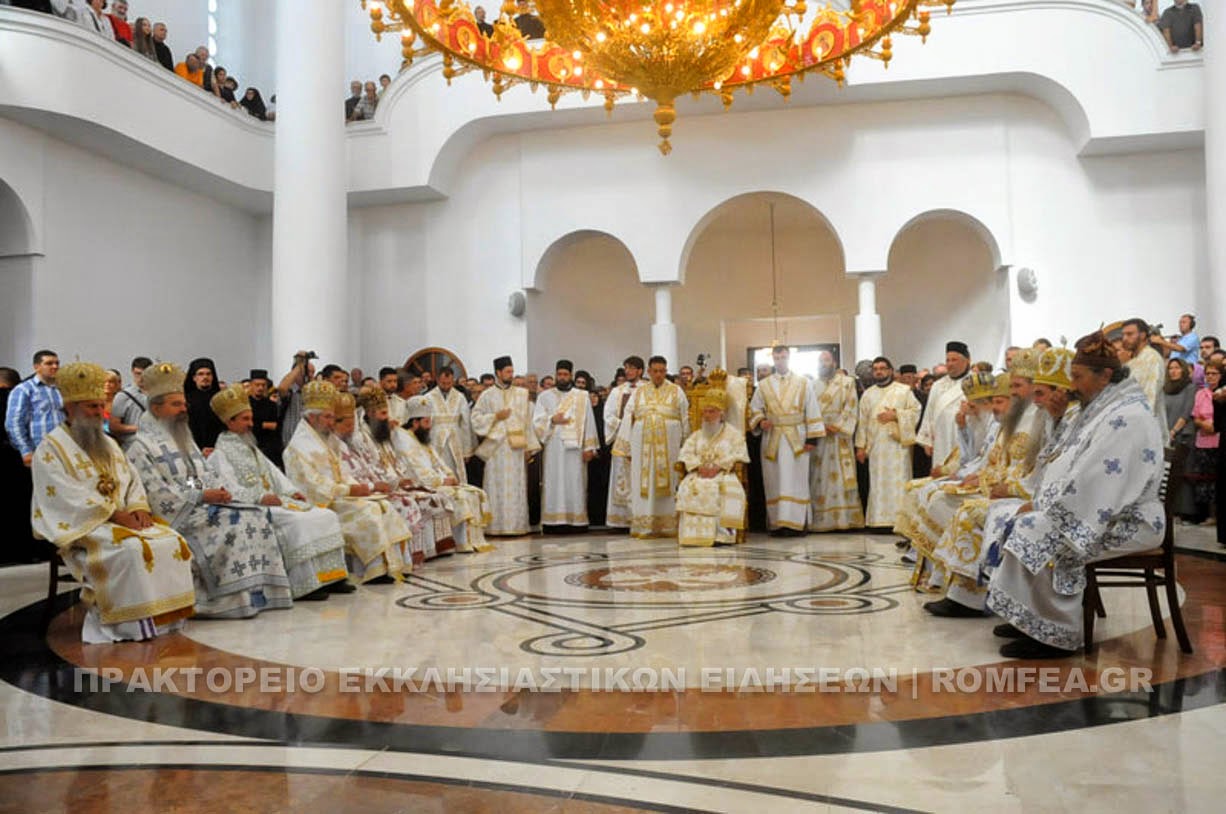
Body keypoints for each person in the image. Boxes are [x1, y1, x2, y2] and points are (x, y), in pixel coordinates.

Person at [987, 330, 1165, 658]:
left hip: (1130, 520)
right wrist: (1056, 422)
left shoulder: (1127, 417)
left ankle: (1054, 633)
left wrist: (1048, 510)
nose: (1072, 385)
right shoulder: (1100, 408)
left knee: (1038, 530)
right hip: (1098, 508)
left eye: (1078, 376)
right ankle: (1029, 618)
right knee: (1023, 521)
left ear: (1105, 376)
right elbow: (1062, 458)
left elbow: (1100, 478)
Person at [31, 362, 196, 642]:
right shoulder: (52, 448)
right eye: (91, 408)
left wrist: (138, 506)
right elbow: (64, 494)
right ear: (70, 408)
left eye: (100, 406)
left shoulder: (115, 442)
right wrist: (113, 513)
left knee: (171, 540)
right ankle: (130, 624)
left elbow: (133, 480)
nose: (99, 413)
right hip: (85, 522)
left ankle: (163, 619)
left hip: (135, 514)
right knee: (132, 550)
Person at [126, 362, 293, 618]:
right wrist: (201, 495)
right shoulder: (140, 446)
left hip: (201, 505)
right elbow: (158, 493)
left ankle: (256, 595)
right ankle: (223, 600)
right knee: (236, 523)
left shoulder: (182, 437)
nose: (184, 409)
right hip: (178, 516)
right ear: (156, 408)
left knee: (256, 515)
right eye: (176, 405)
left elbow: (198, 475)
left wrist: (217, 491)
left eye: (183, 404)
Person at [205, 385, 350, 600]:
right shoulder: (220, 453)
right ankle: (306, 584)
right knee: (298, 523)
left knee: (325, 515)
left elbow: (274, 474)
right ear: (230, 422)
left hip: (278, 501)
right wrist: (260, 497)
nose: (251, 424)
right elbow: (229, 487)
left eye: (251, 418)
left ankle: (333, 577)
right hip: (255, 507)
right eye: (245, 419)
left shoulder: (251, 447)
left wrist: (292, 492)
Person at [283, 381, 413, 583]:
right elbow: (314, 487)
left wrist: (364, 488)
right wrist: (351, 489)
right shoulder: (298, 447)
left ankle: (393, 566)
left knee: (384, 504)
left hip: (341, 496)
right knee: (368, 511)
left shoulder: (328, 439)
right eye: (327, 417)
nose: (331, 422)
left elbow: (343, 471)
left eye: (332, 417)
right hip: (322, 502)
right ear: (312, 417)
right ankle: (374, 570)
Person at [334, 389, 440, 565]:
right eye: (383, 413)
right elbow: (369, 467)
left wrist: (401, 477)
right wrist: (392, 483)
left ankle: (417, 554)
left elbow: (394, 460)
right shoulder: (361, 438)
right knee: (406, 503)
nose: (387, 418)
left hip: (386, 483)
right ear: (370, 413)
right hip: (372, 486)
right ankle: (395, 560)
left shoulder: (382, 434)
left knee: (425, 497)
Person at [393, 395, 493, 553]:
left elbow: (437, 460)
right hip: (420, 484)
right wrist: (441, 481)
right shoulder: (404, 439)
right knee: (459, 496)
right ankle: (461, 542)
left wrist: (450, 475)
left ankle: (472, 540)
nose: (430, 425)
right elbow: (417, 469)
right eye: (426, 422)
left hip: (435, 481)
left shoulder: (422, 437)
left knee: (473, 492)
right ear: (415, 422)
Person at [748, 344, 825, 536]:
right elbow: (754, 409)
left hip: (797, 439)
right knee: (774, 481)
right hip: (772, 438)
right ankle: (777, 524)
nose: (780, 361)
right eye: (777, 358)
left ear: (788, 358)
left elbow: (812, 408)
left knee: (796, 481)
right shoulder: (764, 385)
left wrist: (812, 439)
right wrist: (761, 421)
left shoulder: (803, 382)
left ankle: (797, 524)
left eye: (783, 357)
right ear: (773, 359)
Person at [612, 356, 689, 539]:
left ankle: (667, 525)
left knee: (669, 482)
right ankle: (644, 525)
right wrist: (626, 447)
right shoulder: (639, 392)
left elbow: (685, 418)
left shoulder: (677, 391)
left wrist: (686, 446)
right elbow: (628, 417)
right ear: (648, 371)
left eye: (662, 371)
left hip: (670, 449)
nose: (658, 375)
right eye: (655, 371)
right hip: (642, 449)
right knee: (643, 484)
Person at [471, 356, 539, 535]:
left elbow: (528, 422)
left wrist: (529, 448)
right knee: (495, 485)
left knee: (516, 486)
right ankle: (496, 526)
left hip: (515, 448)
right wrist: (495, 417)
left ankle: (516, 526)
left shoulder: (521, 394)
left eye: (512, 371)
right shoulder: (487, 395)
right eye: (507, 371)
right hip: (495, 449)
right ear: (498, 373)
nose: (511, 374)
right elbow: (475, 419)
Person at [676, 389, 750, 547]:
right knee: (689, 488)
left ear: (721, 414)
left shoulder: (733, 434)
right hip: (698, 474)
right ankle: (692, 536)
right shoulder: (696, 435)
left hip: (723, 474)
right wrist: (697, 466)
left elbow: (740, 453)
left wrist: (719, 466)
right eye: (705, 412)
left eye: (712, 412)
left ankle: (721, 535)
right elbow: (685, 452)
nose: (707, 416)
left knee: (720, 490)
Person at [533, 360, 600, 532]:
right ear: (556, 375)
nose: (562, 377)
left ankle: (575, 521)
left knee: (575, 481)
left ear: (571, 375)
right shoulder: (544, 397)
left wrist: (590, 447)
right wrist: (551, 419)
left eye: (565, 374)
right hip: (554, 447)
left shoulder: (582, 396)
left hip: (575, 449)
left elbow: (589, 421)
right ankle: (552, 522)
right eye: (559, 374)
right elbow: (536, 422)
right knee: (553, 481)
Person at [854, 357, 921, 529]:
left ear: (890, 371)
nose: (879, 371)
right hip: (876, 447)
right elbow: (862, 422)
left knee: (899, 482)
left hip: (897, 446)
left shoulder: (903, 390)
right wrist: (860, 446)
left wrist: (896, 414)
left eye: (883, 368)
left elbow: (916, 411)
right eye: (876, 368)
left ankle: (899, 522)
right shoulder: (868, 394)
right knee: (878, 483)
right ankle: (879, 521)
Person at [808, 351, 863, 531]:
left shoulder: (847, 383)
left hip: (840, 438)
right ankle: (822, 521)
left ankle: (845, 520)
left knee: (841, 476)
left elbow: (852, 406)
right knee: (819, 477)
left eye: (826, 360)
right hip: (819, 437)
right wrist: (819, 427)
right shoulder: (811, 385)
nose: (823, 364)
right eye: (820, 361)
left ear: (834, 362)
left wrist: (837, 426)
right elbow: (807, 410)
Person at [603, 355, 647, 530]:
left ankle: (640, 517)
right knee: (621, 479)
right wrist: (624, 425)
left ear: (640, 370)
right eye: (626, 367)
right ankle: (620, 520)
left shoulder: (648, 390)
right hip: (623, 439)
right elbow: (608, 415)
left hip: (642, 440)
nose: (628, 371)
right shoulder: (617, 391)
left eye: (631, 367)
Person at [916, 342, 973, 476]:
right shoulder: (937, 385)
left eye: (954, 360)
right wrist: (927, 440)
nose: (950, 363)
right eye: (948, 360)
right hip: (941, 439)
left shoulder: (975, 382)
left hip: (964, 438)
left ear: (967, 361)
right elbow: (929, 413)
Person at [5, 349, 63, 467]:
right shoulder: (24, 389)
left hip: (63, 447)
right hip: (39, 449)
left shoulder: (61, 389)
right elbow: (14, 423)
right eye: (49, 363)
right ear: (37, 367)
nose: (55, 366)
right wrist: (25, 450)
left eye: (57, 363)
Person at [425, 365, 476, 483]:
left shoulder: (460, 397)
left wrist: (467, 449)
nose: (446, 386)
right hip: (435, 439)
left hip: (456, 439)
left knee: (456, 473)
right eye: (443, 383)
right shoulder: (428, 398)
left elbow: (465, 424)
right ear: (437, 380)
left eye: (449, 383)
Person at [1185, 360, 1220, 523]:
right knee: (1203, 479)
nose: (1211, 377)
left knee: (1217, 479)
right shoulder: (1201, 393)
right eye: (1208, 374)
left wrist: (1215, 425)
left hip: (1219, 440)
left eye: (1214, 374)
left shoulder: (1222, 393)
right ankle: (1205, 514)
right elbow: (1195, 415)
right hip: (1203, 440)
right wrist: (1203, 424)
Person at [1121, 317, 1167, 433]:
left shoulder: (1152, 358)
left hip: (1144, 429)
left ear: (1142, 335)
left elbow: (1148, 397)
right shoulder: (1132, 361)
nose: (1125, 339)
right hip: (1129, 424)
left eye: (1130, 334)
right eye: (1123, 335)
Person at [184, 357, 224, 452]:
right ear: (194, 378)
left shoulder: (221, 399)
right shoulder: (185, 399)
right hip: (192, 447)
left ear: (213, 377)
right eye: (201, 374)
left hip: (217, 448)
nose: (205, 377)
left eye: (208, 374)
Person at [247, 370, 282, 467]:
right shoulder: (245, 404)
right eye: (257, 385)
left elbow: (276, 425)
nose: (260, 388)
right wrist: (264, 425)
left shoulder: (271, 405)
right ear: (251, 385)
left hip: (268, 448)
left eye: (263, 385)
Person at [1164, 358, 1196, 453]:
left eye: (1177, 368)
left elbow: (1186, 413)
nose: (1173, 371)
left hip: (1182, 435)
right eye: (1170, 368)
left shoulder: (1190, 388)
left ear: (1183, 370)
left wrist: (1173, 431)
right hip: (1165, 434)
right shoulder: (1165, 389)